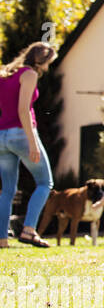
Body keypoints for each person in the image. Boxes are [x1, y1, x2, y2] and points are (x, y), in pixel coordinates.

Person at [0, 41, 58, 247]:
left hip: (2, 135)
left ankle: (2, 240)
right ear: (40, 60)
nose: (47, 67)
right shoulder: (29, 74)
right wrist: (32, 143)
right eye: (48, 62)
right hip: (21, 134)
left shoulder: (5, 73)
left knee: (7, 190)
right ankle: (29, 230)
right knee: (44, 183)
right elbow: (23, 110)